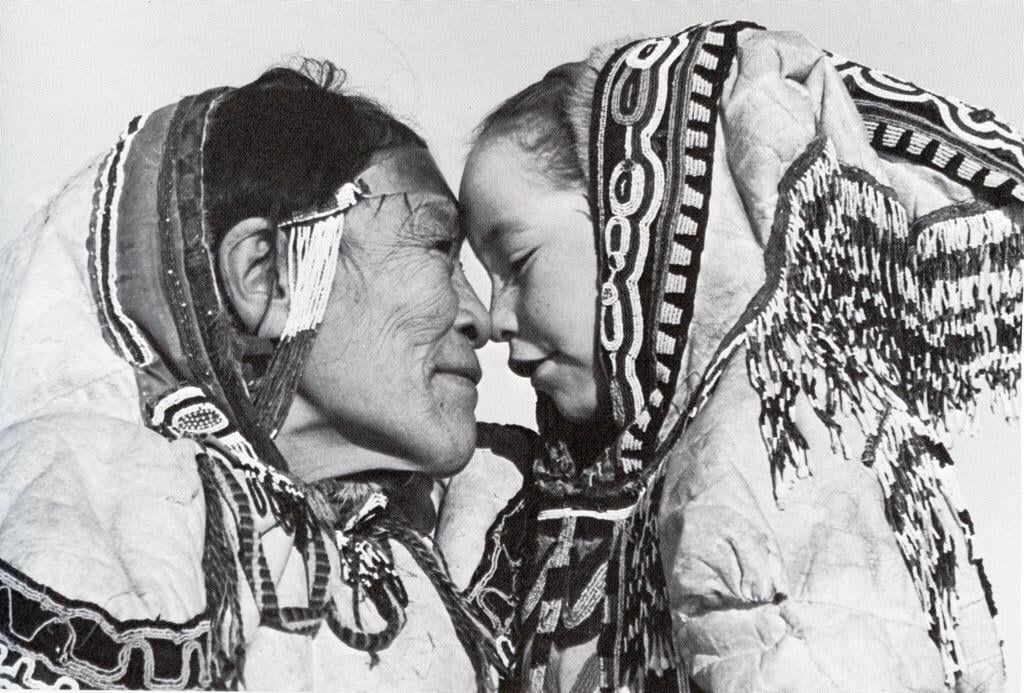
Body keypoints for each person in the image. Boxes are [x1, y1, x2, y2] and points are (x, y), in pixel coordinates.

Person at [459, 21, 1022, 691]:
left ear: (634, 223)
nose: (495, 318)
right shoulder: (609, 470)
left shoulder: (765, 455)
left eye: (517, 262)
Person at [0, 62, 514, 690]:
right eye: (436, 249)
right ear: (268, 277)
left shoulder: (482, 531)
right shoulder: (89, 502)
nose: (480, 318)